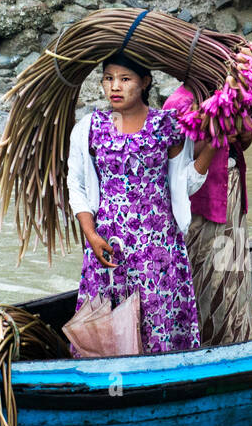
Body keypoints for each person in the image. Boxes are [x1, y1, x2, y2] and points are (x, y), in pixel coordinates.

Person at [66, 52, 213, 353]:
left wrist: (213, 145)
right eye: (108, 78)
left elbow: (184, 184)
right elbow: (76, 185)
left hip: (158, 247)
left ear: (145, 82)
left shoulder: (166, 125)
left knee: (159, 324)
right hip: (108, 246)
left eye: (125, 79)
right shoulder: (89, 128)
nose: (115, 87)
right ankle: (111, 388)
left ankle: (160, 381)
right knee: (108, 327)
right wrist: (91, 234)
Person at [163, 84, 252, 346]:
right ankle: (205, 346)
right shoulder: (179, 103)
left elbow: (245, 141)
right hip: (199, 205)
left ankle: (238, 342)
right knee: (205, 280)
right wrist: (213, 128)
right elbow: (177, 160)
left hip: (231, 194)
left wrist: (237, 130)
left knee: (233, 278)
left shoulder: (233, 95)